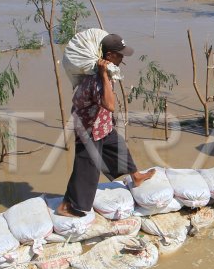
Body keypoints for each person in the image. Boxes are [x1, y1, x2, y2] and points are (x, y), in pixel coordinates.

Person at [57, 33, 153, 217]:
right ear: (109, 56)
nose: (123, 57)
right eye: (120, 54)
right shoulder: (97, 78)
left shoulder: (106, 72)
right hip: (89, 128)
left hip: (102, 124)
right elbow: (109, 105)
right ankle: (68, 206)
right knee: (87, 168)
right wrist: (103, 74)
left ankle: (136, 176)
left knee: (118, 148)